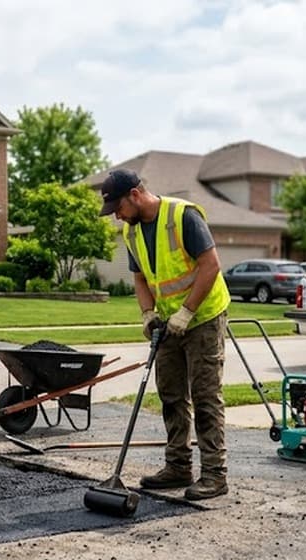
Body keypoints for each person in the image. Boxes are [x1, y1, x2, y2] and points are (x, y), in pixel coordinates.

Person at [99, 168, 232, 500]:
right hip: (168, 323)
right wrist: (147, 314)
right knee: (171, 394)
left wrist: (187, 312)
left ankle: (215, 475)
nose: (116, 215)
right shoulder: (131, 233)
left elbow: (211, 265)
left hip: (203, 316)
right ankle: (178, 467)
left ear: (135, 194)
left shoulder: (181, 216)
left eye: (118, 207)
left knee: (205, 396)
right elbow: (141, 279)